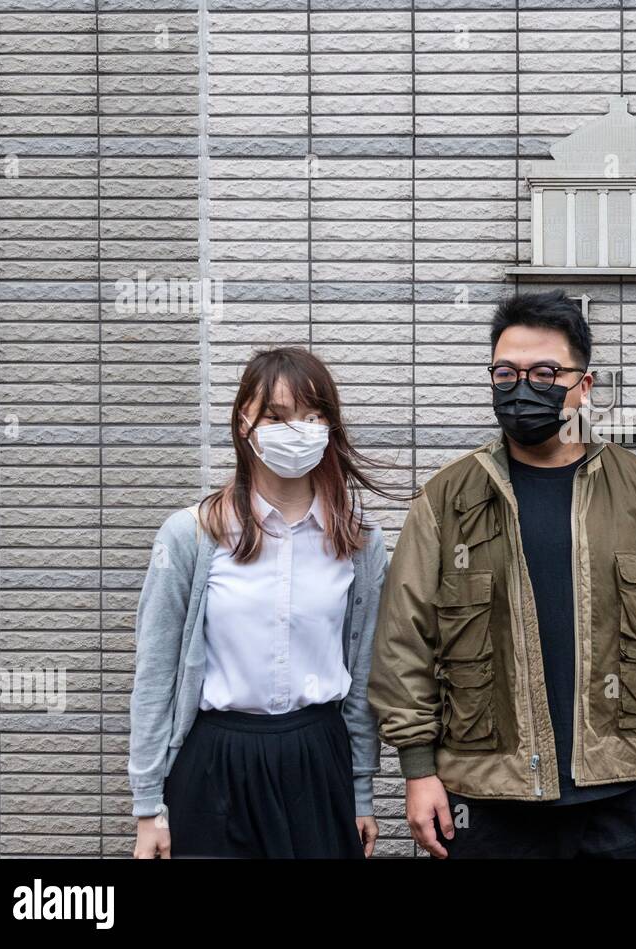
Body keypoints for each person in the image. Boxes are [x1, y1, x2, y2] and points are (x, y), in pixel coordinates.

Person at [369, 289, 636, 858]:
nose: (523, 388)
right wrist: (418, 769)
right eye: (506, 373)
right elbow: (404, 639)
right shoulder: (448, 497)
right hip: (486, 794)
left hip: (625, 789)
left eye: (546, 372)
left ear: (585, 384)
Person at [130, 346, 397, 858]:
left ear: (330, 428)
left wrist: (362, 789)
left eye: (312, 416)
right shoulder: (191, 535)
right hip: (215, 761)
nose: (296, 430)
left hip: (316, 757)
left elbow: (365, 675)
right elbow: (156, 672)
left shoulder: (360, 542)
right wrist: (148, 807)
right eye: (276, 416)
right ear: (244, 424)